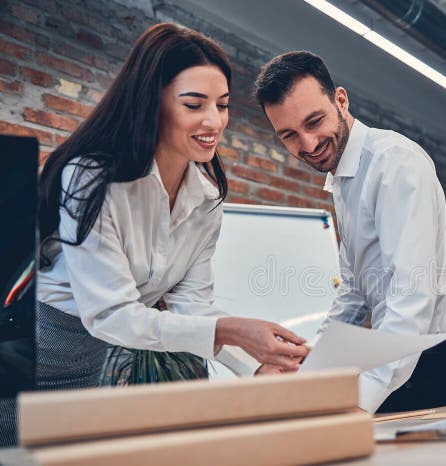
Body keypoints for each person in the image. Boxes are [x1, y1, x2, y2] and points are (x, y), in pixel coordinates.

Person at [32, 25, 308, 397]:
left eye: (222, 105)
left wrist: (257, 363)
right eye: (194, 105)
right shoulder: (92, 179)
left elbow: (190, 306)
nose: (214, 121)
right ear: (151, 103)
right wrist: (230, 330)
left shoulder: (207, 200)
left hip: (89, 362)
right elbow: (111, 314)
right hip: (32, 349)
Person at [253, 51, 446, 413]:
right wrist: (313, 358)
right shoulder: (343, 179)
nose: (308, 144)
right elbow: (354, 289)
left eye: (314, 122)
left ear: (341, 100)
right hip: (397, 347)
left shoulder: (395, 164)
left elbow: (412, 295)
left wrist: (361, 401)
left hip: (438, 357)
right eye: (289, 135)